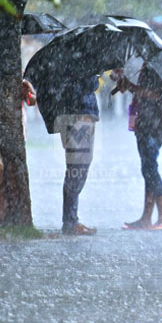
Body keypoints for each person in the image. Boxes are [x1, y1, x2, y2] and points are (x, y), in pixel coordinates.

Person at [114, 64, 162, 230]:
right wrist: (122, 79)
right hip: (144, 125)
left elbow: (154, 94)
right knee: (148, 169)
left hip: (152, 127)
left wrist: (131, 87)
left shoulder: (159, 69)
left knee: (150, 170)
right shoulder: (147, 68)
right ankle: (146, 218)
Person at [54, 75, 100, 235]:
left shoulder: (69, 59)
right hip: (79, 118)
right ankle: (70, 222)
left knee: (76, 168)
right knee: (77, 169)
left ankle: (71, 220)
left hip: (74, 116)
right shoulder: (82, 62)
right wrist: (94, 76)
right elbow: (87, 84)